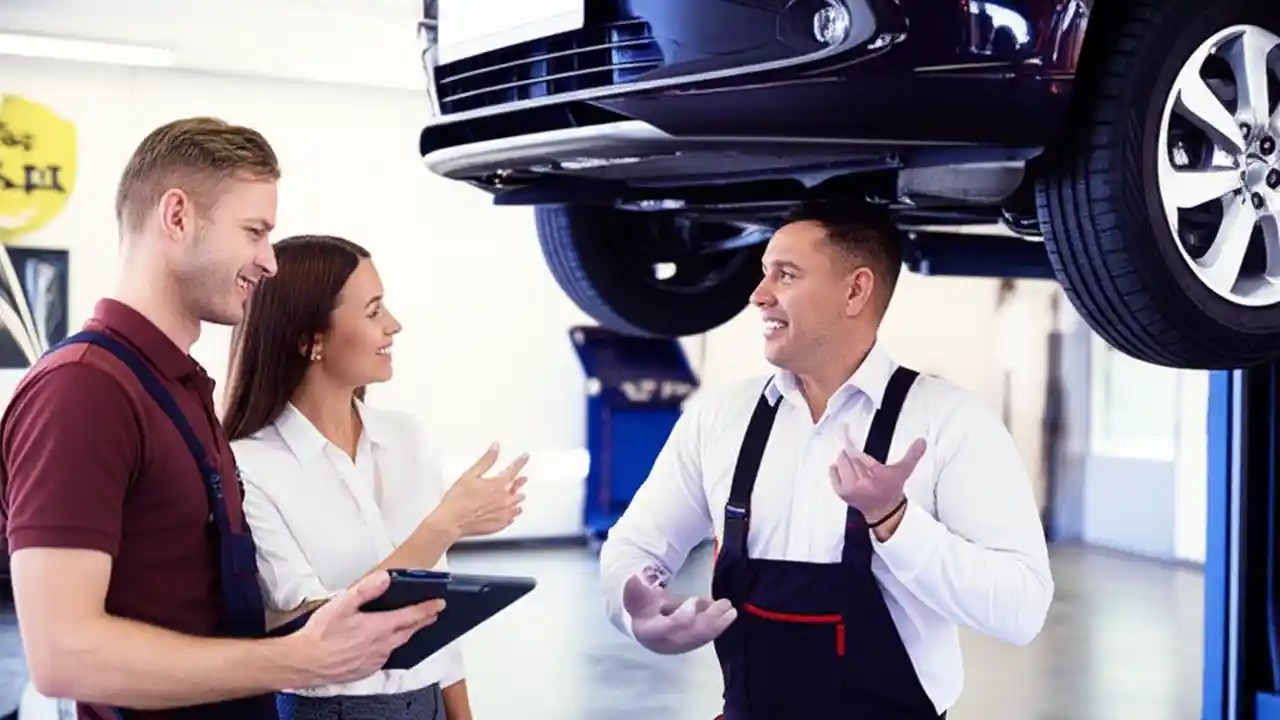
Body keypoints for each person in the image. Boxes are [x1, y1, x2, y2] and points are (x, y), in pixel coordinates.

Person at [0, 117, 446, 720]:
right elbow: (63, 655)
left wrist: (339, 622)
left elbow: (206, 605)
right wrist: (301, 659)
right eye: (254, 233)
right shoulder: (83, 391)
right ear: (177, 216)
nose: (269, 262)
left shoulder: (177, 390)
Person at [599, 203, 1055, 719]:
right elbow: (634, 546)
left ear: (855, 290)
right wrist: (637, 614)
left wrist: (894, 522)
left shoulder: (950, 422)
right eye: (763, 272)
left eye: (786, 275)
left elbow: (1022, 610)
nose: (758, 295)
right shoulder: (721, 417)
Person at [222, 234, 529, 720]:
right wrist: (444, 525)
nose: (394, 325)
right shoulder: (248, 467)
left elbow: (438, 623)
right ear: (310, 339)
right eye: (372, 311)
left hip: (426, 703)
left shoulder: (408, 439)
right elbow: (318, 628)